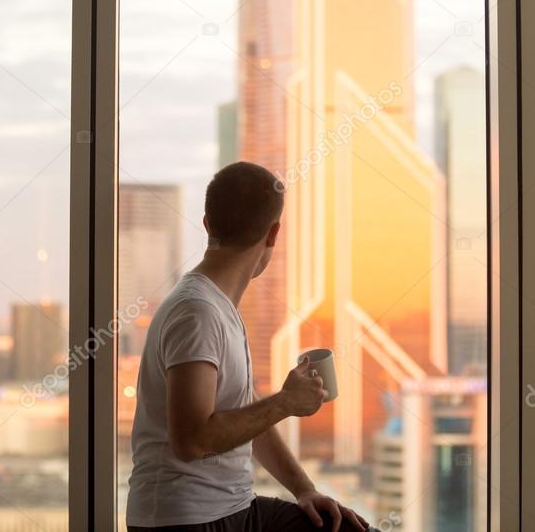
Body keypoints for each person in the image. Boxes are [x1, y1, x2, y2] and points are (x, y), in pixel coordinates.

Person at [127, 162, 373, 532]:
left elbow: (244, 416)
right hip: (188, 520)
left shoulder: (218, 306)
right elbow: (191, 441)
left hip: (234, 507)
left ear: (207, 223)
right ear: (273, 234)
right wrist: (284, 403)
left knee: (344, 527)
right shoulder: (198, 313)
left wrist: (305, 490)